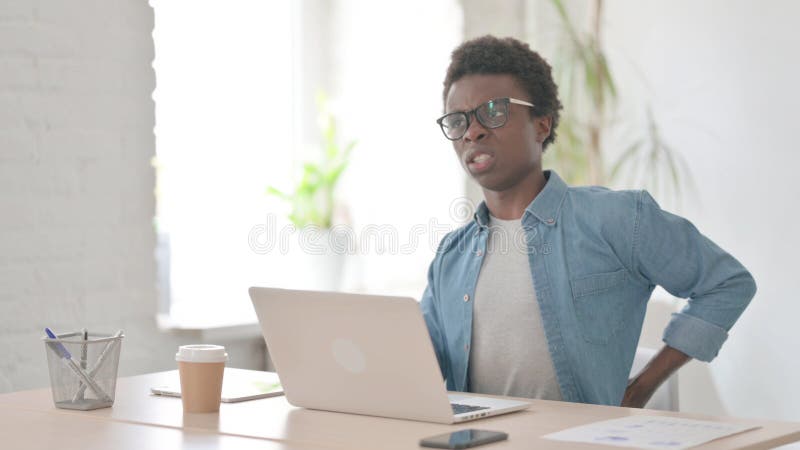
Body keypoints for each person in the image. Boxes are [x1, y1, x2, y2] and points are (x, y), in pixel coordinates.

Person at [420, 35, 756, 407]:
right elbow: (417, 365)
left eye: (493, 111)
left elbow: (727, 283)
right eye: (458, 120)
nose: (472, 131)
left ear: (541, 125)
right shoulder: (451, 255)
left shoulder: (616, 220)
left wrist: (641, 387)